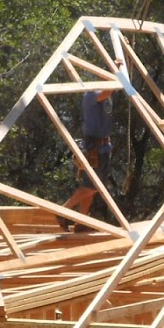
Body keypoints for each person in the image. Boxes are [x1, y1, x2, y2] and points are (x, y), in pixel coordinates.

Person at [61, 60, 122, 230]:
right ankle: (63, 211)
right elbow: (109, 90)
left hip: (104, 147)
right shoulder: (90, 94)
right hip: (94, 148)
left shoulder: (106, 93)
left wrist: (122, 64)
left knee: (92, 187)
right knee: (91, 186)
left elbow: (111, 89)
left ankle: (81, 221)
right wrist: (116, 72)